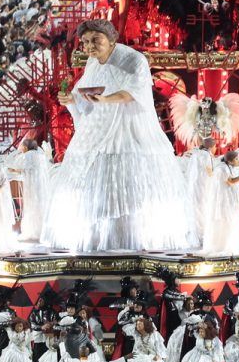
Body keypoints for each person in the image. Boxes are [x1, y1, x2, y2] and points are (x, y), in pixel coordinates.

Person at [42, 20, 193, 252]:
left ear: (111, 39)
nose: (90, 46)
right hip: (98, 126)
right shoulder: (93, 63)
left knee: (129, 178)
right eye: (85, 42)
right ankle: (95, 237)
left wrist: (106, 100)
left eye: (96, 40)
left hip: (129, 126)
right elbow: (84, 90)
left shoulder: (133, 60)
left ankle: (133, 237)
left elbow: (135, 91)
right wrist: (71, 99)